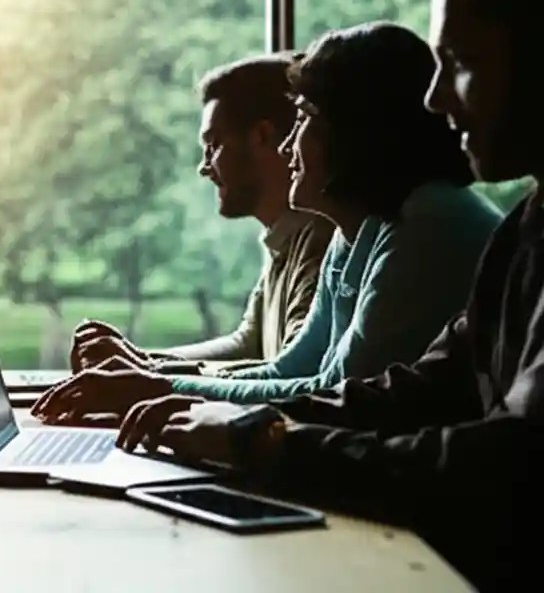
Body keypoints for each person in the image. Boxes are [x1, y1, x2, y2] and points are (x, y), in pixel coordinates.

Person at [108, 0, 544, 589]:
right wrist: (224, 419)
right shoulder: (526, 228)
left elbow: (512, 465)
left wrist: (266, 443)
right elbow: (410, 391)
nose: (436, 99)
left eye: (461, 63)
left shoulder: (435, 224)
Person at [34, 21, 501, 421]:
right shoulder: (358, 231)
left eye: (303, 120)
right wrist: (152, 381)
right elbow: (288, 370)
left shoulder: (425, 226)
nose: (286, 145)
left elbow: (332, 395)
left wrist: (159, 387)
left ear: (356, 129)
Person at [72, 53, 333, 373]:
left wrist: (151, 374)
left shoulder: (319, 243)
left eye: (214, 144)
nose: (204, 167)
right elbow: (248, 343)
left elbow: (289, 375)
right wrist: (140, 362)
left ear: (262, 136)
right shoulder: (286, 238)